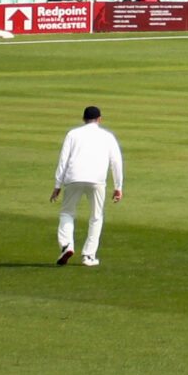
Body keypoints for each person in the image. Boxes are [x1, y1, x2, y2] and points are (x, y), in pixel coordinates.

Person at [52, 106, 125, 263]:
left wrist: (58, 185)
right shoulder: (108, 136)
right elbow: (116, 162)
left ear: (84, 119)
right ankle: (89, 255)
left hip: (74, 178)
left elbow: (63, 160)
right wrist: (118, 187)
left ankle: (67, 244)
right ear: (99, 119)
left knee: (67, 213)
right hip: (97, 179)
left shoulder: (72, 134)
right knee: (96, 217)